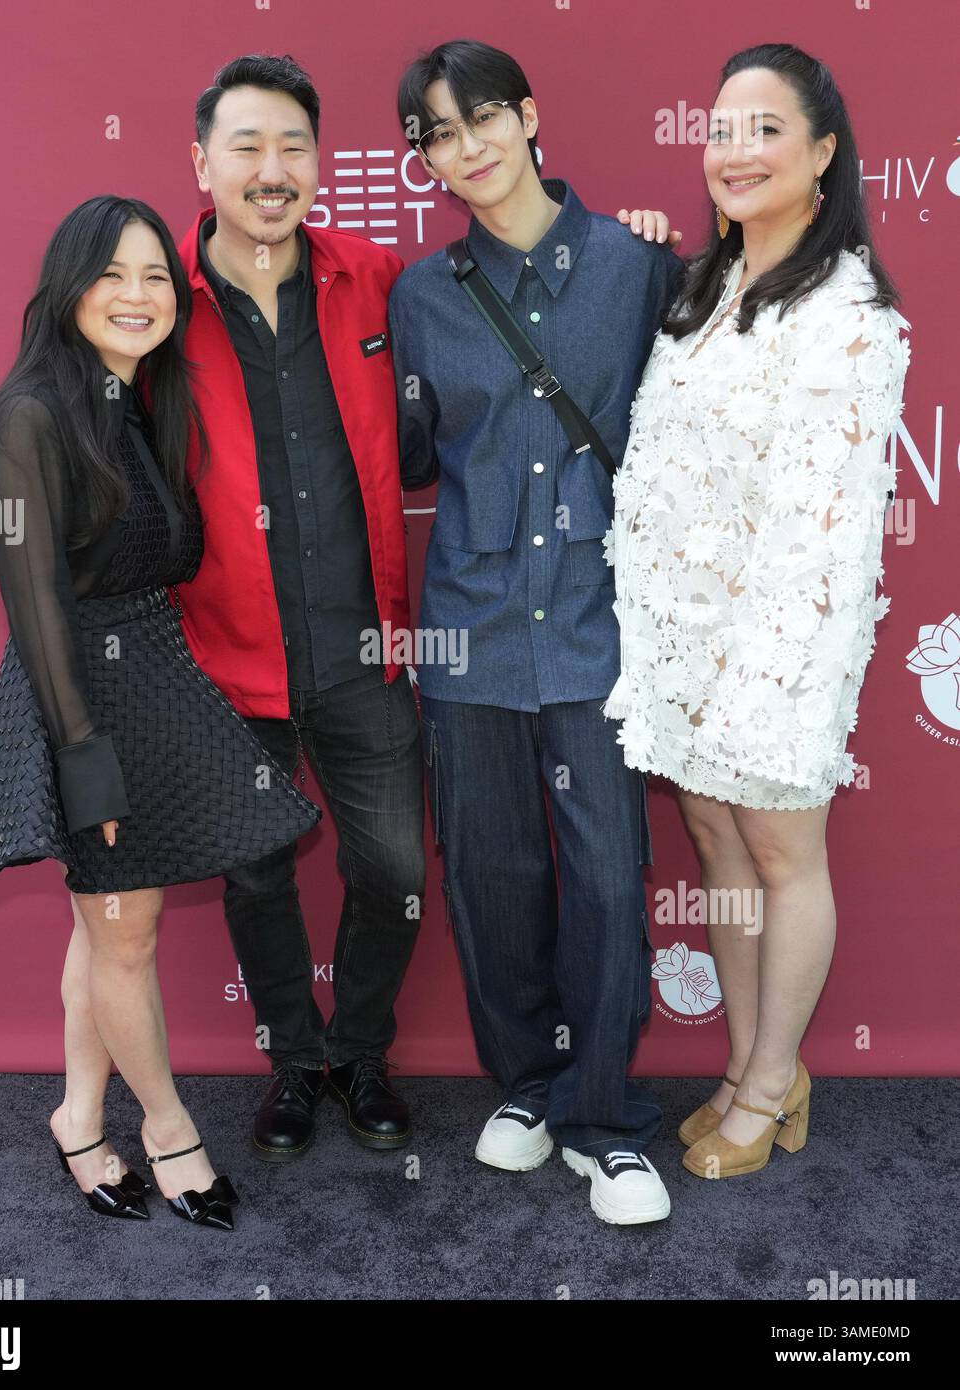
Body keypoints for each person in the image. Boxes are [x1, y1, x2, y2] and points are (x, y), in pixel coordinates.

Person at [0, 195, 321, 1229]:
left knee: (109, 929)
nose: (138, 298)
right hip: (77, 700)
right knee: (122, 933)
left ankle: (79, 1116)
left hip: (151, 680)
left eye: (156, 280)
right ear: (67, 286)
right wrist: (85, 761)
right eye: (113, 275)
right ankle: (169, 1128)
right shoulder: (25, 417)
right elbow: (35, 608)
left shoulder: (133, 402)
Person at [389, 38, 685, 1225]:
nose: (465, 148)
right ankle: (525, 1080)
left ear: (527, 117)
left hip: (598, 623)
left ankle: (604, 1118)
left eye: (481, 119)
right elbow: (412, 458)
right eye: (438, 135)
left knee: (610, 877)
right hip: (466, 626)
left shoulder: (636, 266)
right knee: (494, 873)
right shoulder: (421, 295)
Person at [603, 43, 911, 1179]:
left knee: (780, 854)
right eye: (719, 130)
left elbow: (818, 523)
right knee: (716, 841)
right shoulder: (698, 285)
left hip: (777, 642)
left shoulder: (849, 311)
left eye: (763, 130)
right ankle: (744, 1064)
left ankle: (776, 1081)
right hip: (677, 635)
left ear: (821, 152)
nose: (732, 151)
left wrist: (763, 670)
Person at [174, 54, 426, 1161]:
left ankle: (358, 1049)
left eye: (292, 148)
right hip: (223, 660)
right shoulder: (152, 299)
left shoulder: (376, 278)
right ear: (201, 161)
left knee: (396, 872)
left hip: (364, 650)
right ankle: (292, 1061)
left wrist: (636, 241)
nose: (271, 171)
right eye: (247, 146)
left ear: (319, 163)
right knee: (255, 872)